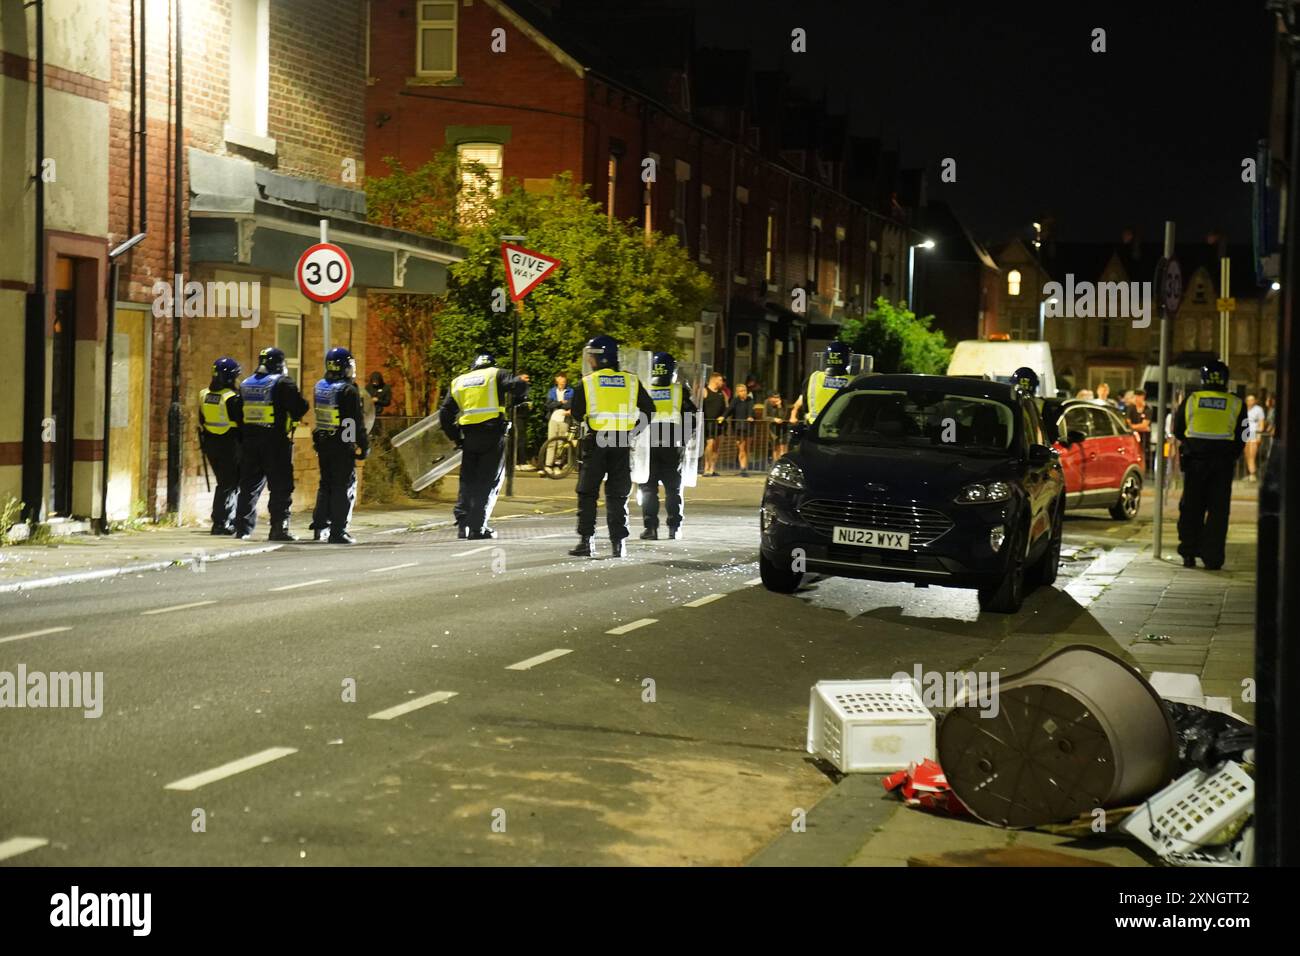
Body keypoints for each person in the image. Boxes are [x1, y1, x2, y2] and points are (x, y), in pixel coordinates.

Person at [567, 335, 656, 558]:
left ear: (601, 358)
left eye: (592, 356)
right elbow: (649, 409)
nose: (589, 361)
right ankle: (619, 544)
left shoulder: (587, 382)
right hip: (621, 442)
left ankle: (586, 542)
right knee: (618, 494)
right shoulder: (631, 381)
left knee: (587, 492)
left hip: (597, 442)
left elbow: (577, 414)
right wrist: (634, 432)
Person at [438, 351, 530, 540]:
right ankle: (477, 527)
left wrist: (456, 437)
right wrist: (519, 397)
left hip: (469, 437)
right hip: (492, 434)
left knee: (468, 481)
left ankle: (463, 524)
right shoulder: (496, 374)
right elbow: (520, 384)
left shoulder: (459, 381)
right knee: (488, 481)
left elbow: (445, 413)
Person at [1172, 360, 1248, 570]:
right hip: (1222, 465)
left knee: (1191, 508)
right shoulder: (1237, 403)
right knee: (1218, 512)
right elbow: (1244, 435)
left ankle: (1189, 553)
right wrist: (1231, 454)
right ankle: (1213, 558)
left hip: (1195, 463)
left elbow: (1178, 429)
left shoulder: (1192, 399)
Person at [235, 347, 309, 541]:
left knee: (248, 486)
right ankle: (279, 528)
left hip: (250, 442)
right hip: (275, 443)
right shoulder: (283, 383)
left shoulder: (245, 384)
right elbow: (300, 407)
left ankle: (242, 528)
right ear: (279, 363)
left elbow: (237, 413)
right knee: (280, 487)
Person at [309, 347, 369, 544]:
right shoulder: (348, 390)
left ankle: (320, 526)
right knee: (343, 486)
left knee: (325, 485)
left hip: (323, 441)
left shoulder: (320, 386)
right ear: (345, 367)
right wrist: (360, 445)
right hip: (341, 443)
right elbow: (353, 421)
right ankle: (338, 530)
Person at [638, 352, 697, 540]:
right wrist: (685, 439)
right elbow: (691, 418)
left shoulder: (645, 389)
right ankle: (674, 527)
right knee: (673, 489)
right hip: (673, 443)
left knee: (648, 488)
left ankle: (651, 528)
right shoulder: (680, 391)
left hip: (650, 443)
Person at [197, 356, 244, 535]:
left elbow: (202, 418)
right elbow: (241, 421)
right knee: (229, 484)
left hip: (210, 443)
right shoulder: (231, 398)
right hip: (229, 443)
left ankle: (222, 520)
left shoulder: (204, 394)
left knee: (223, 482)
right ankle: (221, 522)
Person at [789, 341, 852, 425]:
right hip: (842, 430)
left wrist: (794, 413)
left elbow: (804, 404)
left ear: (826, 358)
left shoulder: (813, 378)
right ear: (847, 359)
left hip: (814, 430)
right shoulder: (854, 381)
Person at [544, 372, 575, 472]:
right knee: (551, 442)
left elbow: (570, 404)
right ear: (556, 380)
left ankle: (557, 464)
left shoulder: (570, 391)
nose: (562, 382)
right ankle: (548, 465)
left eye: (564, 380)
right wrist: (561, 402)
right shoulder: (552, 391)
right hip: (553, 418)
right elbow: (548, 405)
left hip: (564, 419)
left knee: (561, 444)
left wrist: (556, 404)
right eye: (561, 380)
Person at [700, 371, 727, 477]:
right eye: (720, 380)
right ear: (714, 380)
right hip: (708, 422)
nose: (722, 382)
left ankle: (712, 468)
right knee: (710, 444)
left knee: (716, 446)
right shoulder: (704, 391)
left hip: (719, 423)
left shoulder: (722, 393)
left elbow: (726, 408)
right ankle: (706, 466)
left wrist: (723, 417)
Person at [727, 381, 757, 476]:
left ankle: (744, 467)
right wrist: (723, 417)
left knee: (747, 449)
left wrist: (750, 416)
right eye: (740, 391)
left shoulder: (750, 400)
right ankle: (743, 468)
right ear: (737, 392)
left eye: (744, 390)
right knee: (741, 448)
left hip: (748, 427)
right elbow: (729, 410)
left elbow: (751, 410)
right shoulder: (735, 401)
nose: (743, 392)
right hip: (738, 428)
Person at [1125, 389, 1153, 472]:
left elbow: (1145, 425)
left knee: (1142, 453)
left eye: (1139, 397)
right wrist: (1138, 427)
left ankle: (1142, 471)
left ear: (1143, 397)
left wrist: (1133, 426)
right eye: (1135, 397)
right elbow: (1128, 423)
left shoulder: (1148, 409)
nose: (1136, 399)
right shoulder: (1131, 408)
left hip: (1144, 437)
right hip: (1132, 435)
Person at [1244, 394, 1266, 481]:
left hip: (1254, 431)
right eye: (1249, 400)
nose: (1251, 401)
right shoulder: (1244, 408)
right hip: (1245, 432)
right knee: (1246, 454)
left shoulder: (1258, 409)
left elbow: (1261, 423)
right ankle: (1249, 473)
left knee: (1252, 454)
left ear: (1255, 401)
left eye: (1252, 399)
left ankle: (1252, 474)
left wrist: (1259, 435)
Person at [766, 394, 789, 461]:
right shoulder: (767, 403)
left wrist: (779, 406)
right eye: (774, 397)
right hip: (773, 430)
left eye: (777, 397)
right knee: (775, 449)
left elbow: (783, 416)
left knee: (783, 449)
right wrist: (774, 419)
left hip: (783, 428)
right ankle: (775, 464)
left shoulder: (784, 403)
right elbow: (765, 416)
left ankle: (782, 464)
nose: (775, 399)